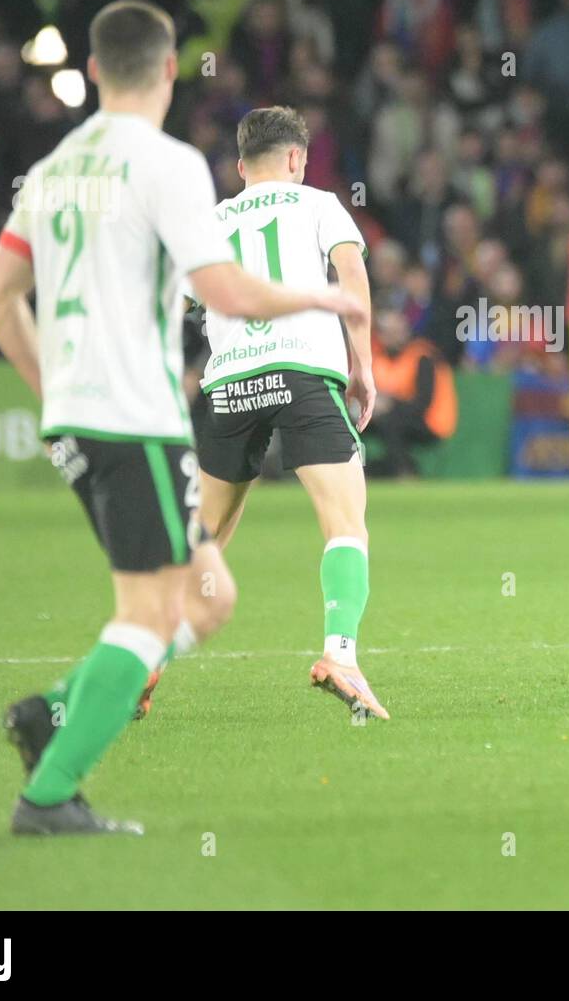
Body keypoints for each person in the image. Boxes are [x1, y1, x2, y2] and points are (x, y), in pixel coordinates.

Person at [0, 0, 362, 835]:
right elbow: (224, 290)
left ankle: (50, 710)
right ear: (166, 70)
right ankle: (49, 794)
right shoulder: (168, 164)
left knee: (202, 596)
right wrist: (319, 299)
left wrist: (54, 388)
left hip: (77, 420)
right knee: (161, 608)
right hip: (131, 417)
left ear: (93, 67)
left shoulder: (51, 171)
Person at [192, 105, 388, 721]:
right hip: (302, 369)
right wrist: (362, 364)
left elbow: (186, 305)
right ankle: (340, 654)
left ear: (240, 166)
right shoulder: (319, 204)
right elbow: (352, 277)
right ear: (297, 158)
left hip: (230, 382)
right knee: (346, 525)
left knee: (207, 538)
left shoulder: (210, 222)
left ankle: (149, 656)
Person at [370, 308, 457, 476]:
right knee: (354, 421)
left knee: (389, 422)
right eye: (388, 332)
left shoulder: (422, 356)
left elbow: (422, 404)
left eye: (398, 330)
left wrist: (388, 404)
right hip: (395, 414)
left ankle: (405, 472)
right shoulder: (378, 357)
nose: (394, 336)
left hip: (431, 422)